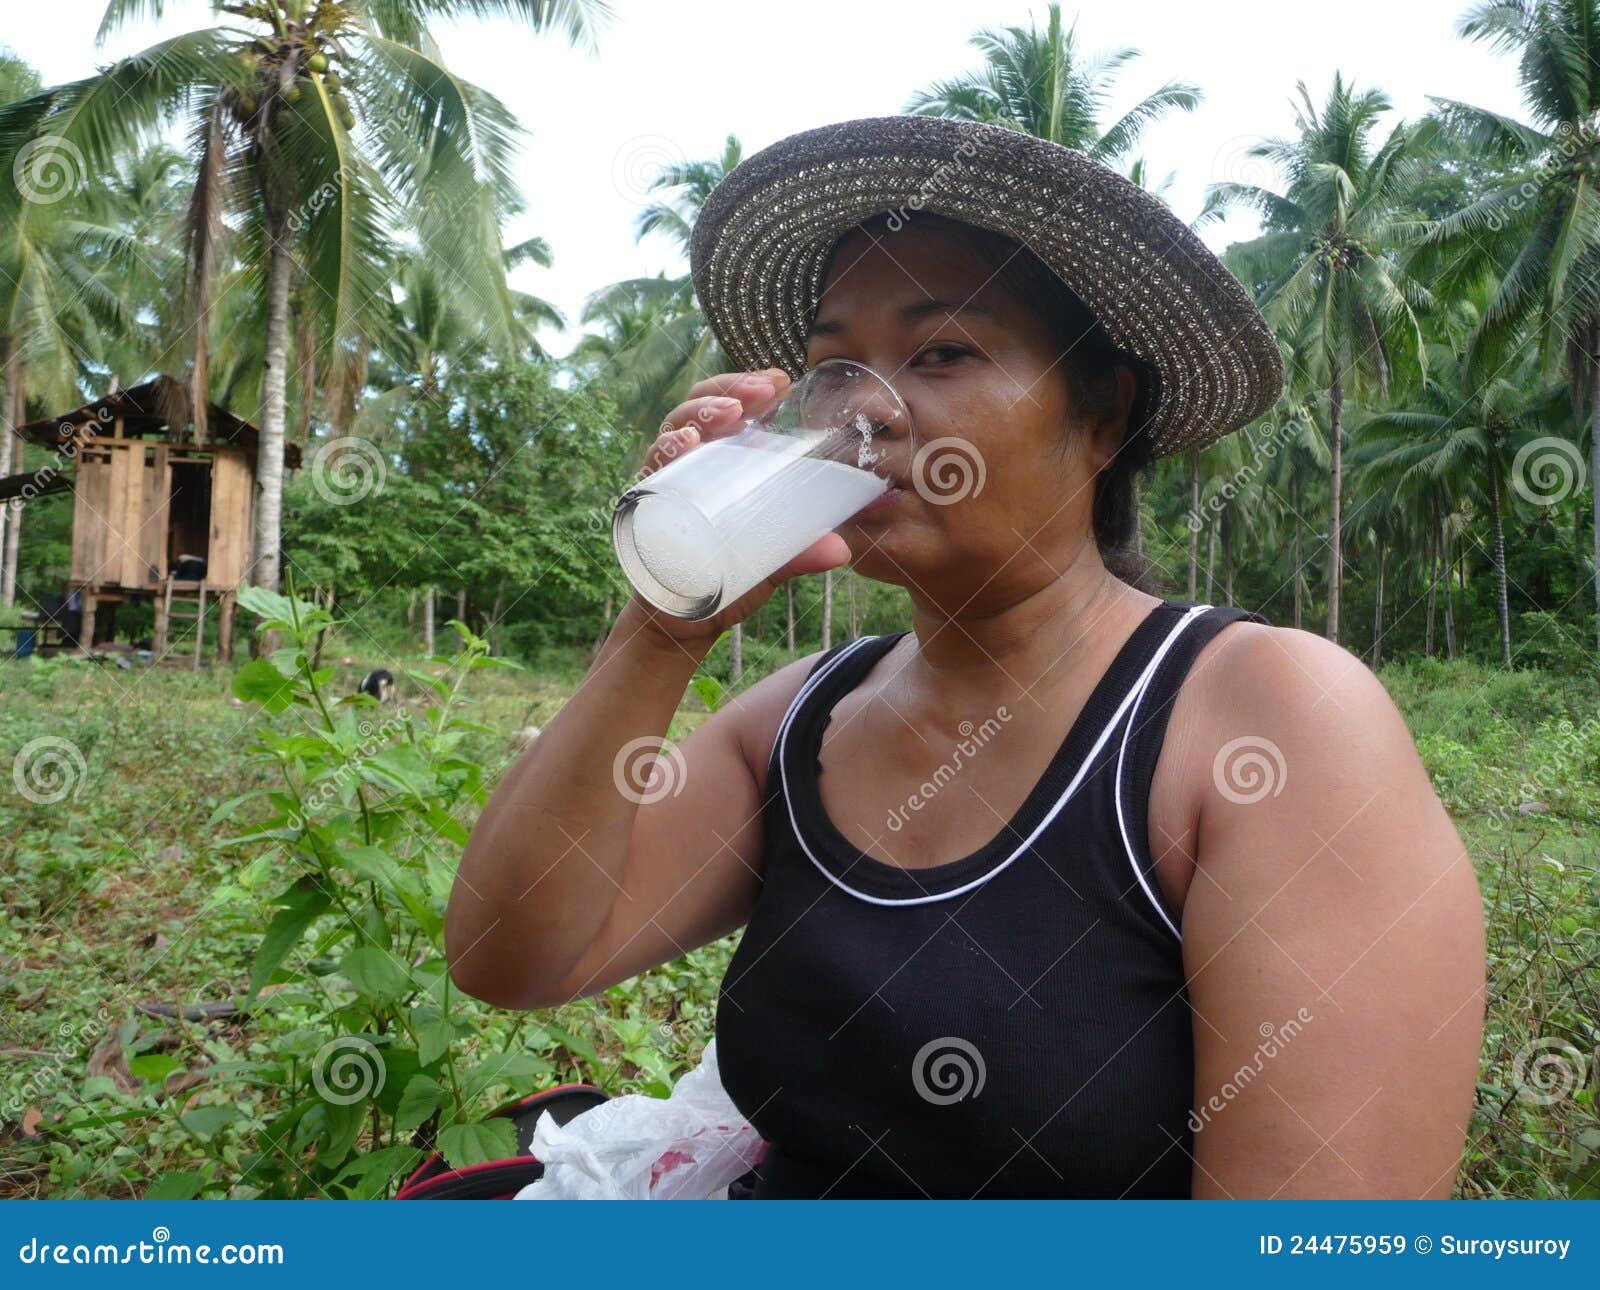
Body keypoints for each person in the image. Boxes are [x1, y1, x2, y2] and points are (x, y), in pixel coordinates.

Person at [447, 116, 1484, 1199]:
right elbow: (517, 957)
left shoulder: (1265, 717)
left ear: (1103, 411)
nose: (862, 411)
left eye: (941, 352)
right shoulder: (805, 711)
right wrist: (661, 631)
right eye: (830, 368)